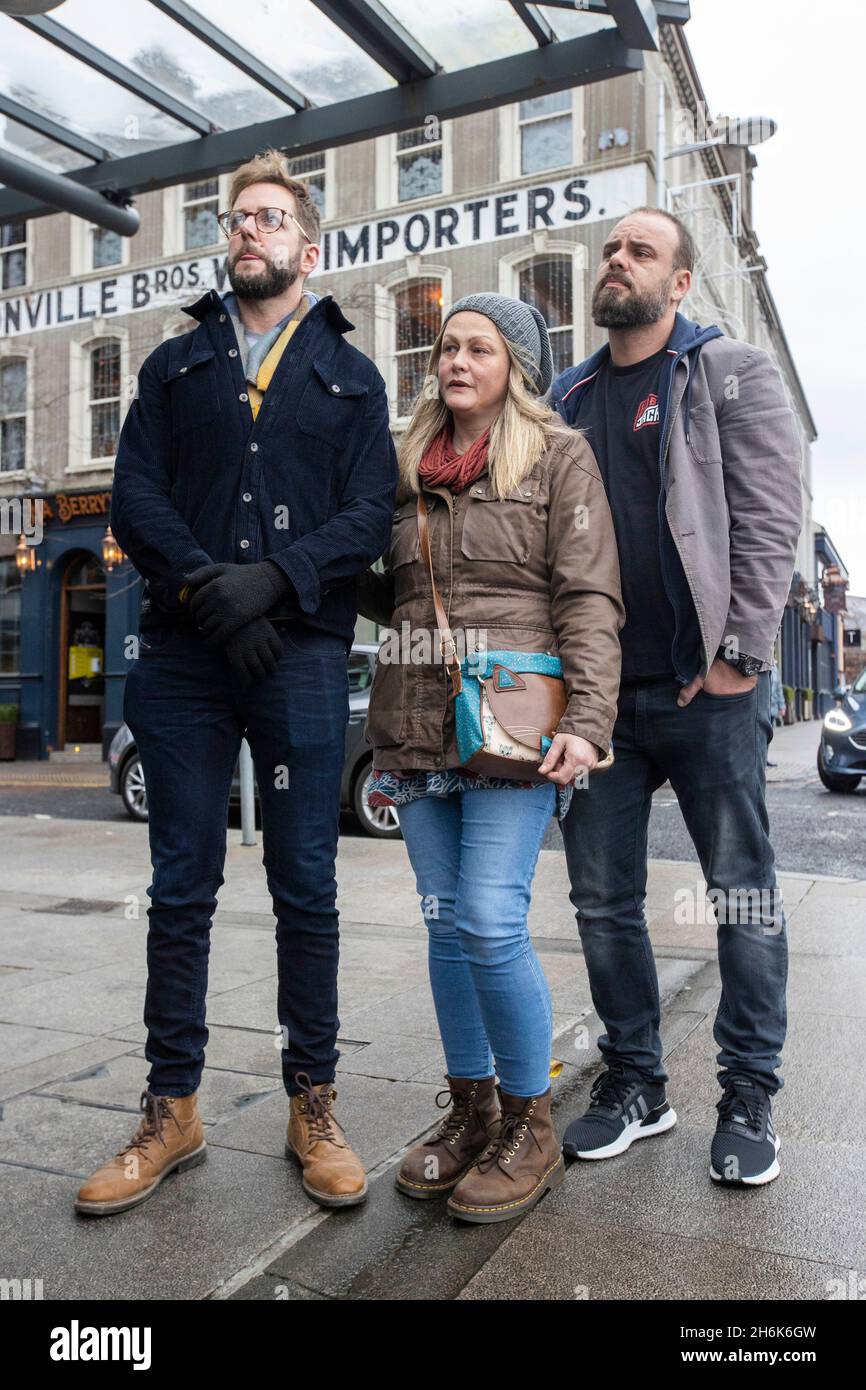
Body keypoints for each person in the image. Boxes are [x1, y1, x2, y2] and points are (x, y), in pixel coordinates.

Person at [75, 150, 398, 1217]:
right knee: (181, 884)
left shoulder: (353, 379)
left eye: (267, 219)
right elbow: (135, 497)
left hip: (300, 654)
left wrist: (276, 582)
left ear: (308, 249)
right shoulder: (174, 367)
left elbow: (367, 514)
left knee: (305, 882)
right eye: (235, 219)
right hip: (182, 656)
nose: (246, 232)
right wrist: (215, 590)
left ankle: (314, 1099)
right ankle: (173, 1106)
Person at [549, 206, 802, 1187]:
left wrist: (739, 650)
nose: (618, 260)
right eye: (610, 249)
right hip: (603, 697)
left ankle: (746, 1092)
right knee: (601, 900)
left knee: (738, 892)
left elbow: (768, 511)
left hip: (710, 689)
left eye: (640, 250)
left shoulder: (727, 371)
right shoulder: (566, 394)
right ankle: (635, 1083)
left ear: (679, 281)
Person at [357, 293, 624, 1223]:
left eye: (477, 347)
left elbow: (589, 597)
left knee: (488, 921)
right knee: (442, 925)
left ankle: (529, 1119)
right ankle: (471, 1112)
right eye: (446, 347)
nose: (455, 361)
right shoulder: (404, 467)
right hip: (419, 717)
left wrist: (587, 722)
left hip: (514, 726)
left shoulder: (559, 457)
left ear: (517, 364)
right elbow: (380, 588)